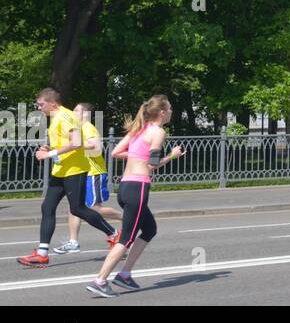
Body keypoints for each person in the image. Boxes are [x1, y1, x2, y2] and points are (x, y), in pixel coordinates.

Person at [87, 94, 185, 297]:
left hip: (125, 187)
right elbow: (153, 164)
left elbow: (115, 152)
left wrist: (136, 156)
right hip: (138, 187)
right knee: (127, 237)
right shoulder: (158, 131)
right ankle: (100, 280)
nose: (172, 113)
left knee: (149, 229)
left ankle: (125, 274)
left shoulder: (137, 129)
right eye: (171, 109)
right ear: (162, 112)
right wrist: (172, 156)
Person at [18, 89, 119, 269]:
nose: (39, 108)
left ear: (53, 103)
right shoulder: (57, 118)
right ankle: (42, 254)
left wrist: (50, 154)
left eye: (41, 104)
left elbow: (77, 142)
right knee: (47, 206)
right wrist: (51, 148)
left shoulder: (65, 116)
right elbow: (66, 142)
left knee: (78, 208)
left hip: (74, 169)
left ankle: (113, 234)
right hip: (61, 169)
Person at [52, 103, 124, 255]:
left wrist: (78, 146)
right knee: (74, 207)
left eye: (76, 110)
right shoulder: (76, 128)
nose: (73, 112)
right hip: (80, 172)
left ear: (85, 114)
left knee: (94, 208)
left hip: (93, 172)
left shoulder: (87, 127)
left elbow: (96, 147)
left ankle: (127, 219)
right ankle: (73, 242)